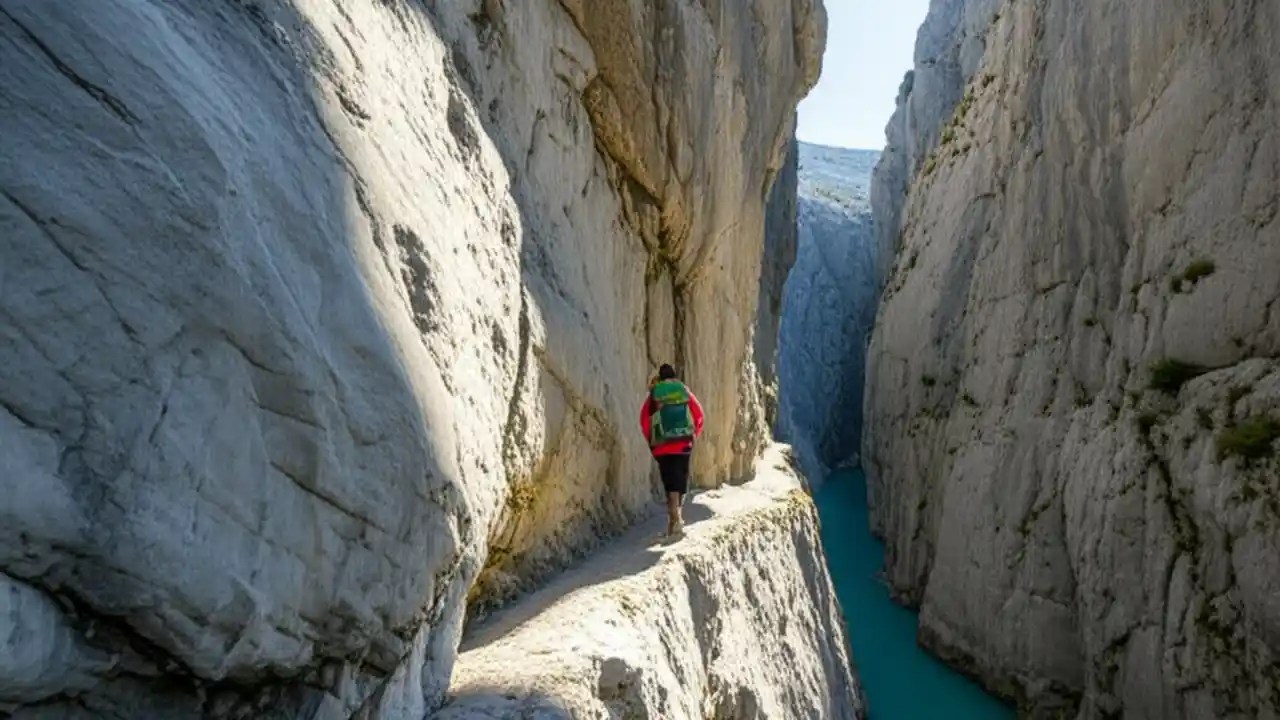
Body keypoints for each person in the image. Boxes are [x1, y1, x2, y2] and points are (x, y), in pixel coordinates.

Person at [639, 363, 704, 538]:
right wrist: (694, 434)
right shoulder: (682, 390)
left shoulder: (655, 393)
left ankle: (673, 518)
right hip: (683, 442)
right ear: (674, 376)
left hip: (662, 444)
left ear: (660, 378)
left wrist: (651, 441)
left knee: (669, 481)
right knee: (680, 479)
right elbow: (699, 414)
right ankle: (677, 517)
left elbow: (644, 419)